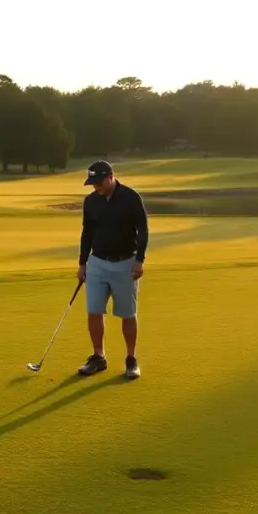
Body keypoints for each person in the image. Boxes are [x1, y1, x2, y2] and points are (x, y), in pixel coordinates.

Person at [76, 160, 148, 380]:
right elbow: (87, 233)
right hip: (97, 262)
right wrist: (82, 264)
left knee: (127, 314)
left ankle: (130, 359)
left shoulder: (131, 197)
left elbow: (143, 230)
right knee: (94, 311)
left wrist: (139, 260)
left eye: (98, 182)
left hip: (125, 263)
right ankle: (99, 357)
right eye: (93, 183)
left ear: (111, 177)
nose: (96, 187)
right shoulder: (91, 202)